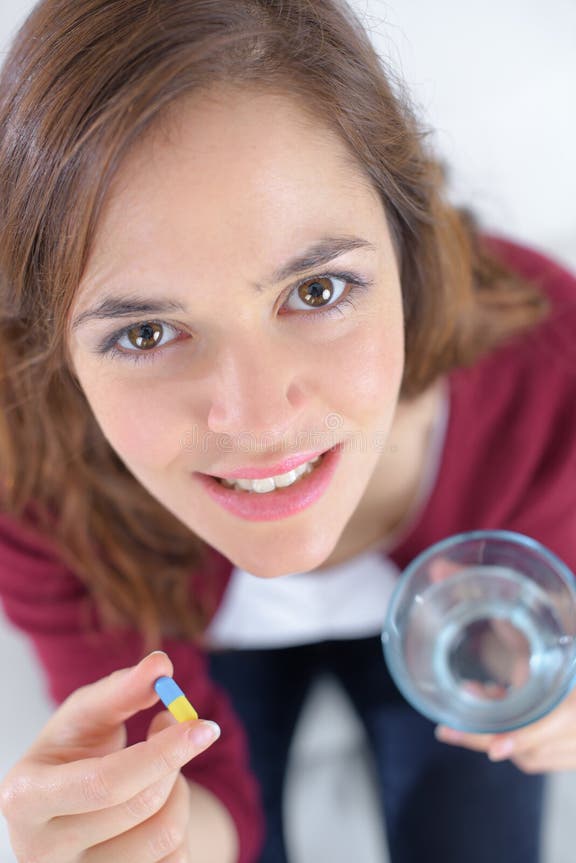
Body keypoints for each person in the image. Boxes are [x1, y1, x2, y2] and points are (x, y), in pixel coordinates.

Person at [0, 0, 574, 861]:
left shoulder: (548, 367)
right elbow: (198, 806)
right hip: (197, 650)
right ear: (55, 344)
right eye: (146, 333)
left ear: (407, 235)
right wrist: (146, 840)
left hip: (461, 635)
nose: (261, 422)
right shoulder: (28, 467)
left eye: (317, 291)